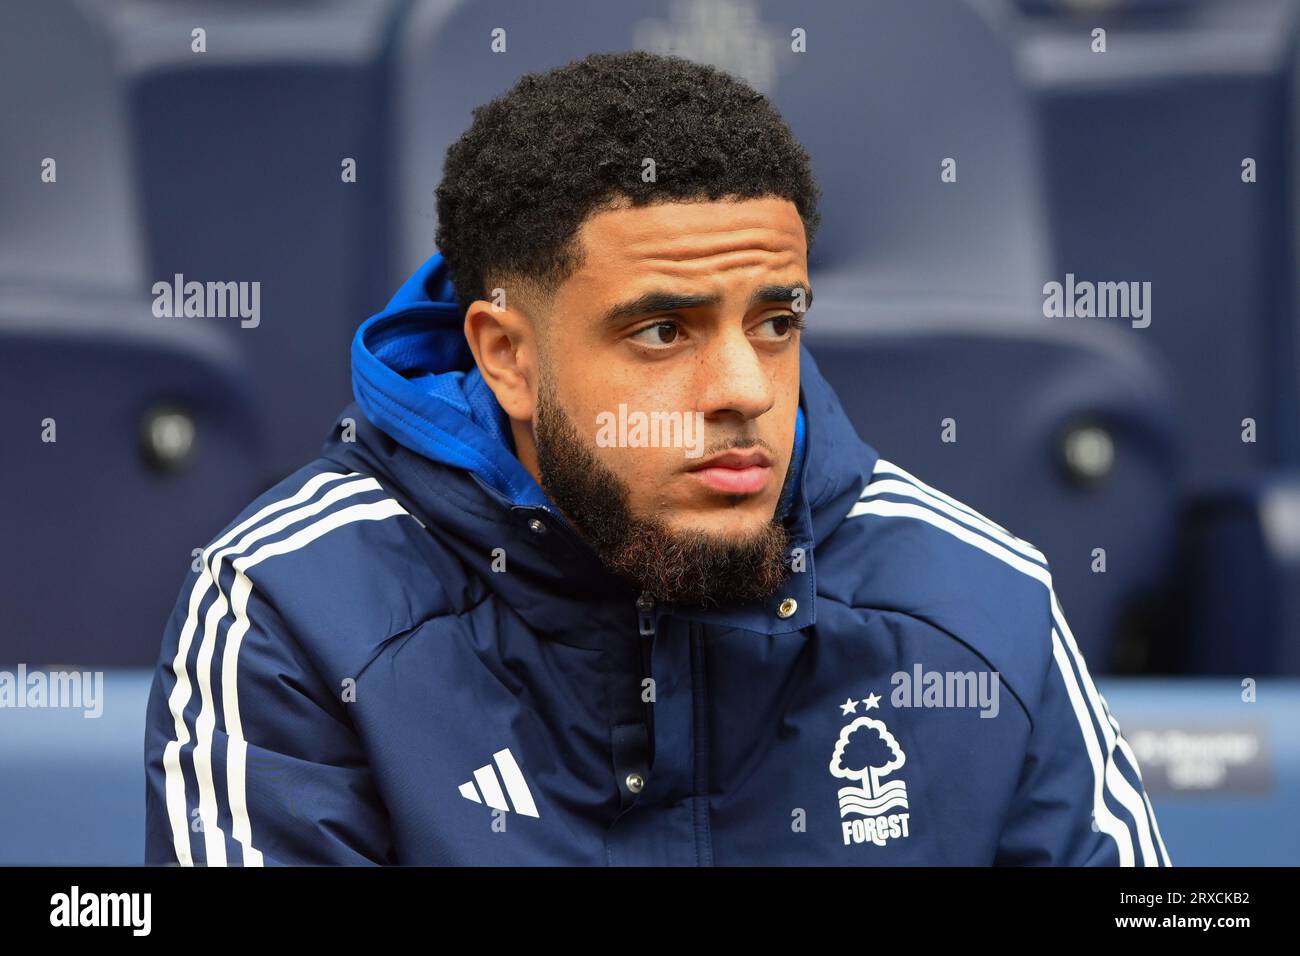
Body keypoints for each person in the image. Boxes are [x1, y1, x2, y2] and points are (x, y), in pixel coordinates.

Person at [144, 51, 1169, 866]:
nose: (744, 389)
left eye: (774, 321)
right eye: (662, 332)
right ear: (507, 357)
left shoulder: (979, 601)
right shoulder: (289, 612)